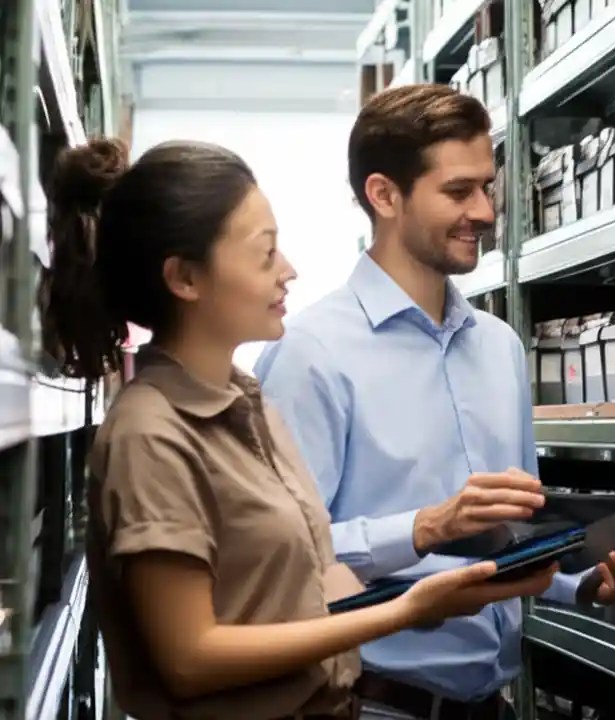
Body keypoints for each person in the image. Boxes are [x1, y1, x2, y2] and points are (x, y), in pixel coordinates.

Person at [41, 137, 559, 720]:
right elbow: (189, 659)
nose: (289, 271)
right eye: (265, 254)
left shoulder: (250, 405)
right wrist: (403, 612)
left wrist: (452, 590)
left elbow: (311, 582)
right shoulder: (150, 434)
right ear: (185, 278)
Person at [253, 84, 615, 719]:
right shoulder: (311, 354)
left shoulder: (500, 348)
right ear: (384, 195)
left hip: (492, 706)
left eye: (487, 186)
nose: (483, 211)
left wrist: (586, 579)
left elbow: (518, 536)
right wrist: (424, 528)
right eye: (457, 191)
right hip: (370, 707)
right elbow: (278, 560)